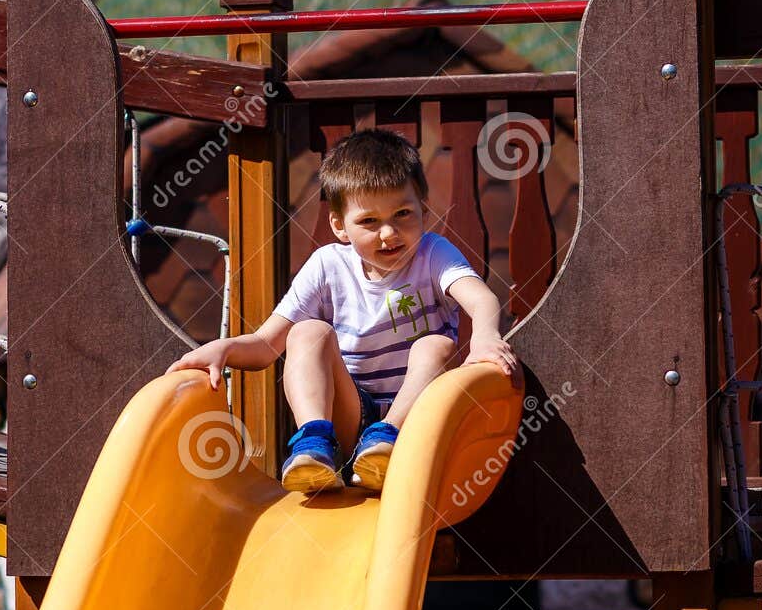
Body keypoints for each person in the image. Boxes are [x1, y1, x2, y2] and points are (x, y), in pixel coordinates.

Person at [169, 128, 518, 492]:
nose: (388, 233)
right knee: (307, 332)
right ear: (340, 226)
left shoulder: (433, 252)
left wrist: (485, 338)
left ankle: (387, 440)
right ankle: (315, 443)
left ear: (424, 211)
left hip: (419, 418)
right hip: (353, 415)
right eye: (369, 221)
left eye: (402, 214)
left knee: (435, 345)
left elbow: (481, 299)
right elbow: (266, 343)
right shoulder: (328, 264)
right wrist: (224, 349)